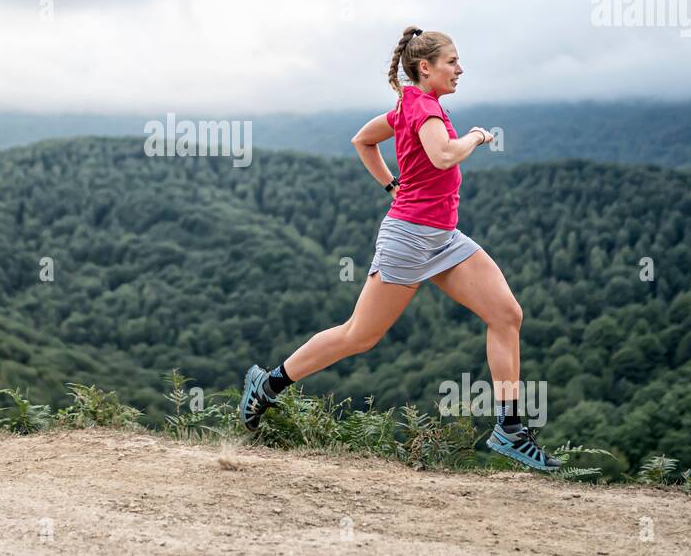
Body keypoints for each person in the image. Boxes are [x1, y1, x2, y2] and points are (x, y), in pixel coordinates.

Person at [239, 26, 560, 471]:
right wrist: (476, 137)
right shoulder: (425, 108)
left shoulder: (408, 104)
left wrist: (391, 183)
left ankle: (509, 427)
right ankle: (267, 384)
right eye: (452, 61)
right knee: (360, 335)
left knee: (507, 315)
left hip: (444, 239)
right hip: (409, 238)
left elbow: (362, 140)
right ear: (425, 67)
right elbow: (444, 155)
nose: (460, 69)